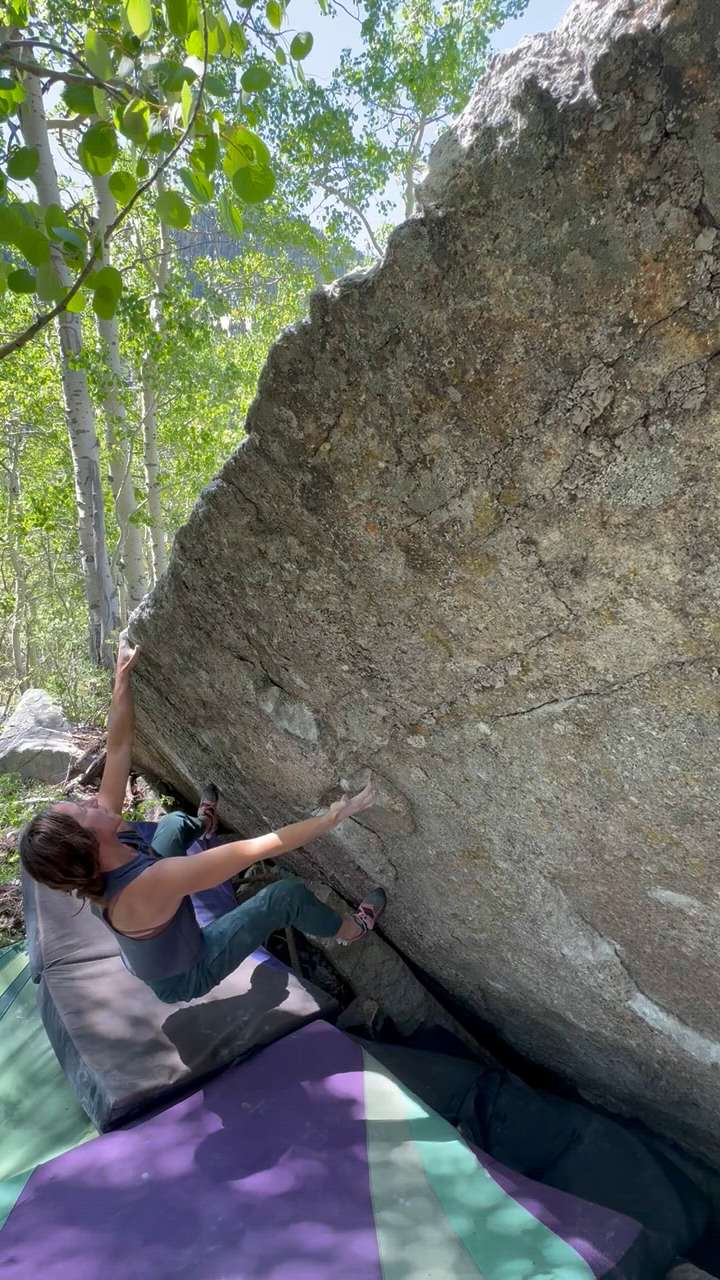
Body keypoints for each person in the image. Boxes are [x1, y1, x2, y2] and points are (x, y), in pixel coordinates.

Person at [19, 633, 386, 1004]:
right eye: (83, 812)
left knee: (176, 825)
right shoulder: (149, 884)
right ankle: (350, 930)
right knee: (284, 897)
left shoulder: (104, 836)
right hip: (188, 972)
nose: (92, 803)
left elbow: (118, 747)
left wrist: (121, 680)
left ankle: (203, 826)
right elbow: (258, 847)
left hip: (155, 919)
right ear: (89, 844)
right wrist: (330, 819)